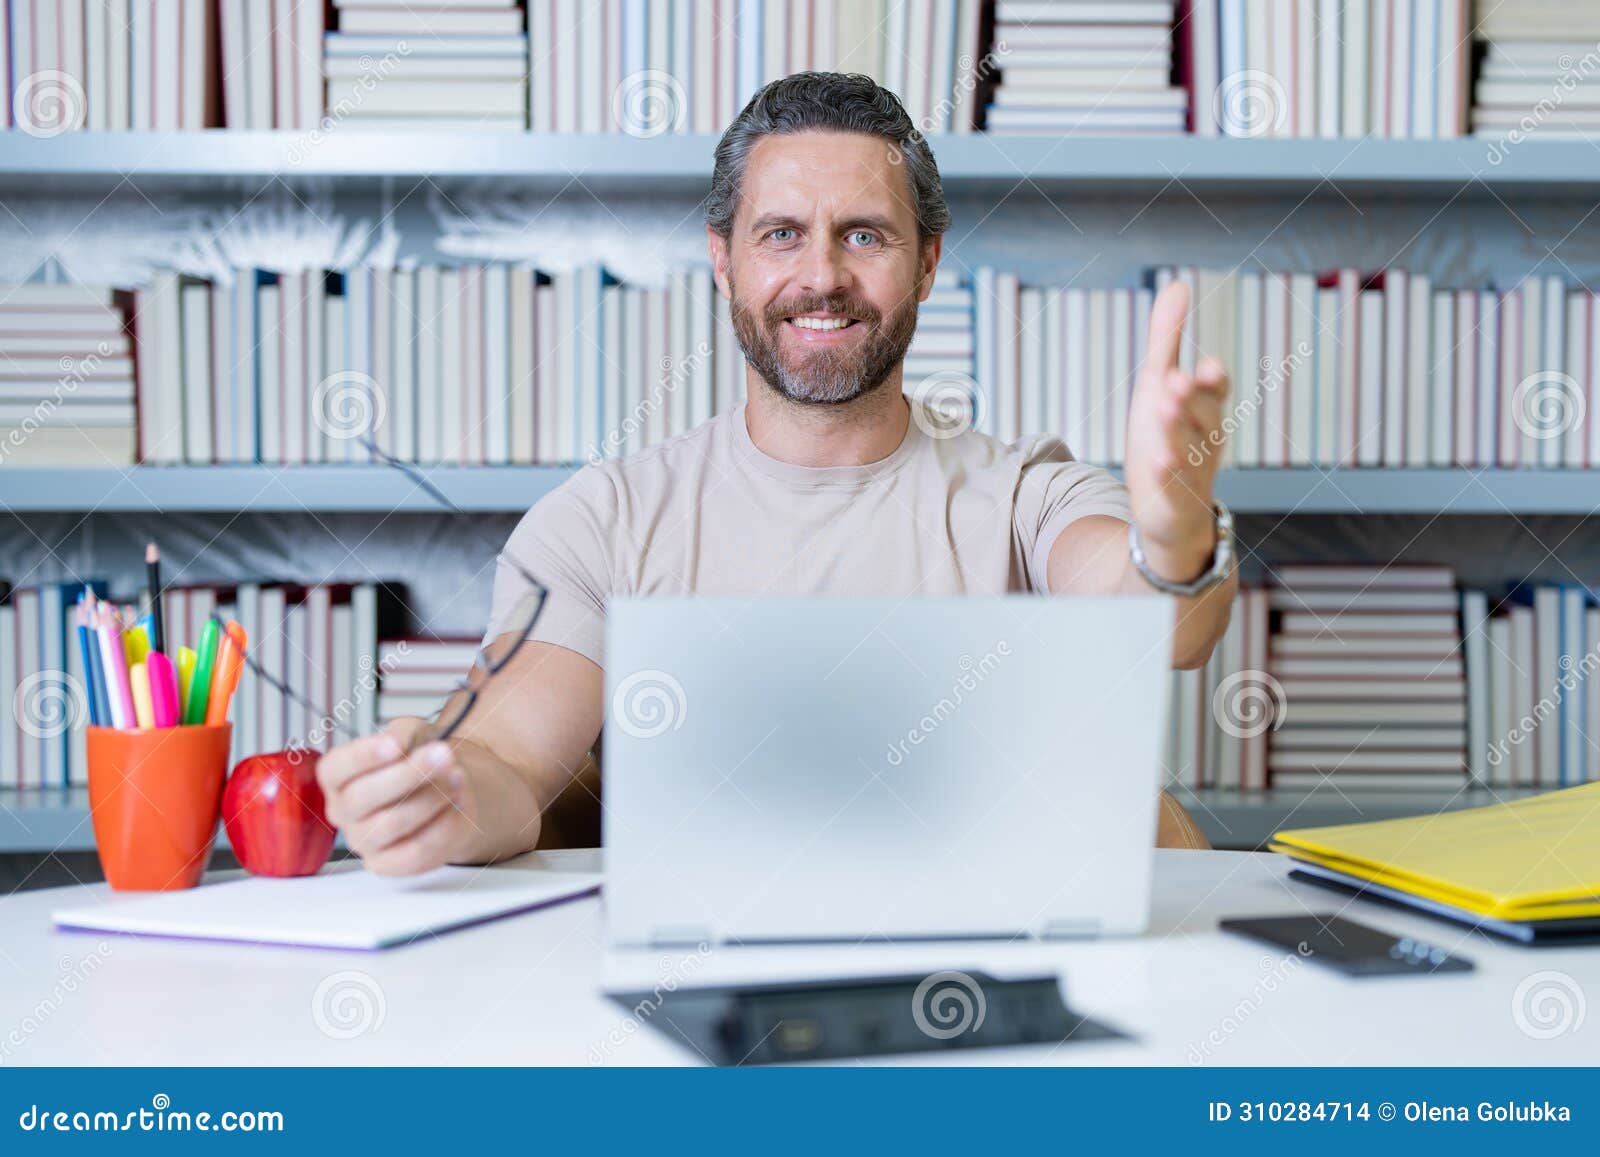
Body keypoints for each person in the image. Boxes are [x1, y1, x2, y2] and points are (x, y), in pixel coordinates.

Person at [317, 72, 1237, 876]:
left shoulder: (1026, 494)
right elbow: (511, 763)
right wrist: (440, 800)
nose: (822, 275)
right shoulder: (606, 519)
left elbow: (1163, 621)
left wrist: (1171, 528)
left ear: (926, 263)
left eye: (865, 236)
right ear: (724, 259)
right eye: (783, 233)